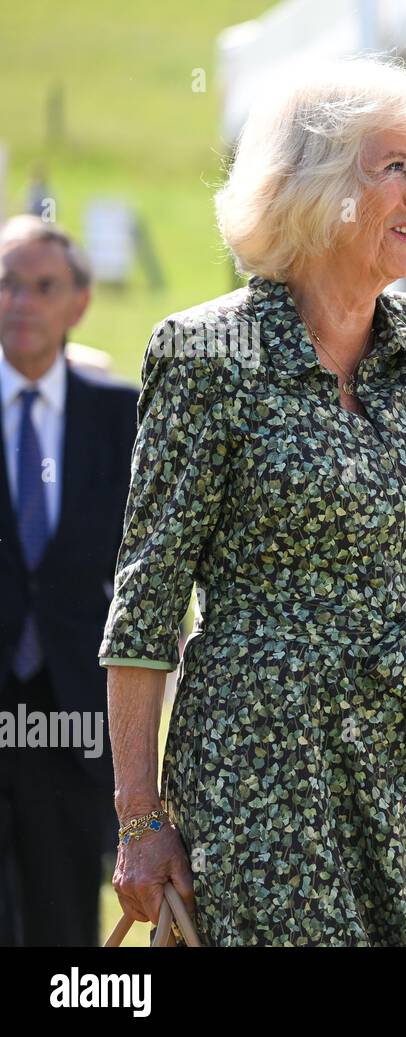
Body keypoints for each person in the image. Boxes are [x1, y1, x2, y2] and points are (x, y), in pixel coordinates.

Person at [100, 56, 406, 946]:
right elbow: (143, 611)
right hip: (271, 790)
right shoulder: (206, 356)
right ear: (317, 184)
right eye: (395, 167)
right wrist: (139, 819)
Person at [0, 216, 137, 946]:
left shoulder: (121, 419)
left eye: (42, 287)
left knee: (63, 928)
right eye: (7, 284)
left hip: (77, 720)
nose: (22, 302)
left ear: (78, 302)